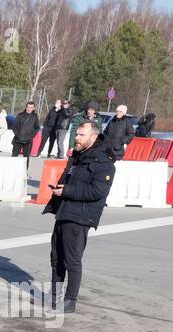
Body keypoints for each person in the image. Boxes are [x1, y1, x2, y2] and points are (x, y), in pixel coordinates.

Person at [44, 118, 114, 314]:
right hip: (64, 211)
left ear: (93, 137)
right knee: (56, 258)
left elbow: (97, 192)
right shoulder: (77, 155)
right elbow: (68, 178)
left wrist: (66, 191)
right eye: (76, 134)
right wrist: (59, 190)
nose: (77, 137)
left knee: (72, 260)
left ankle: (70, 300)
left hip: (80, 216)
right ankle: (54, 296)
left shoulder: (104, 163)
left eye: (81, 135)